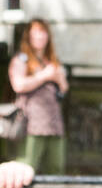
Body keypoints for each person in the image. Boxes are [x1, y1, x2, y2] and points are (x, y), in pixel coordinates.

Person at [8, 17, 68, 175]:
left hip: (54, 123)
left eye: (43, 32)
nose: (40, 36)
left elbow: (63, 89)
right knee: (25, 168)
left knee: (56, 169)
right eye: (36, 32)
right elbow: (18, 85)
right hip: (31, 123)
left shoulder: (52, 61)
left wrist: (59, 79)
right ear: (29, 35)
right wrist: (44, 76)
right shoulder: (21, 60)